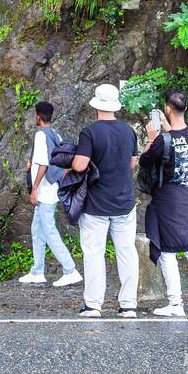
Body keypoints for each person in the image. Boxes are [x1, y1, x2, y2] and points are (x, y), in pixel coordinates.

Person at [140, 89, 188, 318]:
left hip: (167, 199)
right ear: (185, 107)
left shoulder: (162, 140)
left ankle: (175, 303)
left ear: (167, 109)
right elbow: (179, 140)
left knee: (167, 250)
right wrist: (165, 130)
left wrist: (151, 138)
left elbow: (145, 161)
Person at [72, 82, 139, 318]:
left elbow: (80, 165)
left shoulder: (90, 132)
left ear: (96, 105)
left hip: (96, 205)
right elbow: (132, 163)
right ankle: (129, 305)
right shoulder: (129, 131)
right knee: (127, 253)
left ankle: (93, 305)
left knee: (93, 254)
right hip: (124, 203)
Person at [19, 101, 82, 288]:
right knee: (36, 230)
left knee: (49, 230)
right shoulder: (55, 134)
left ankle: (70, 270)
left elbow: (44, 164)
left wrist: (34, 188)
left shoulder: (40, 135)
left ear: (38, 115)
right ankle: (37, 271)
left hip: (45, 191)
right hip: (53, 188)